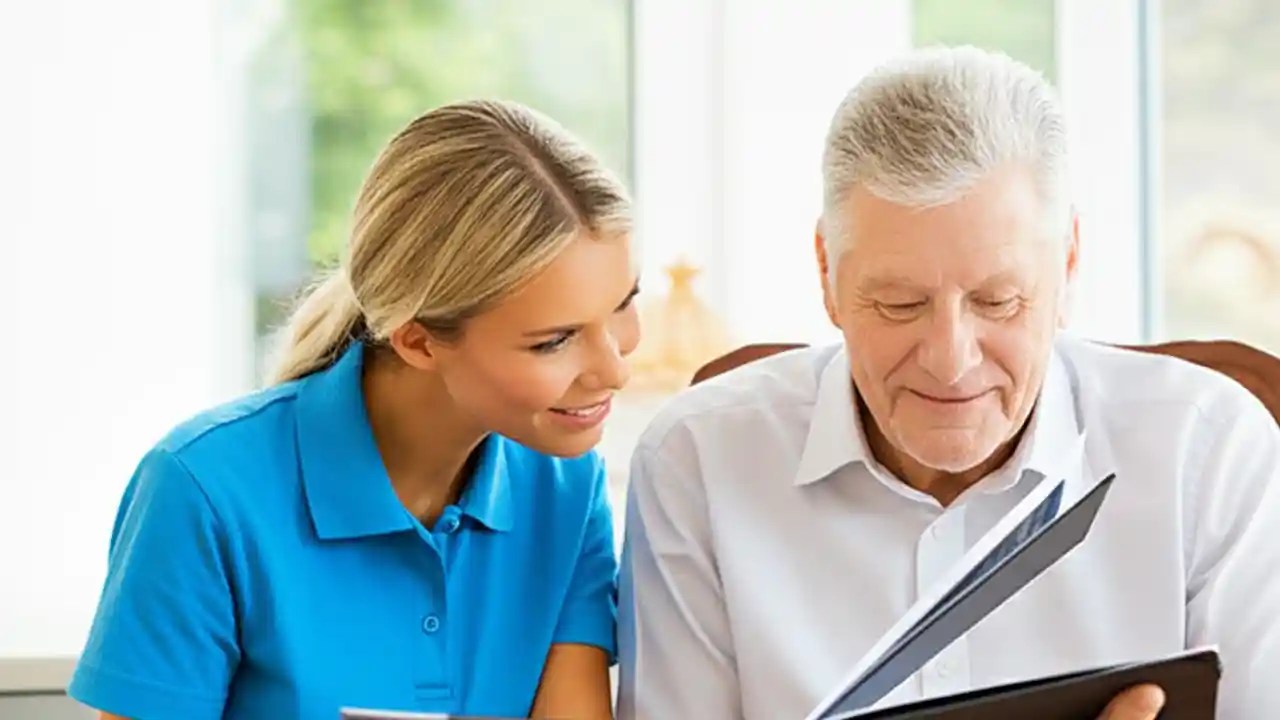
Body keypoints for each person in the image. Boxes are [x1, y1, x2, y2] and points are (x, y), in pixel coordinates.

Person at [617, 46, 1279, 720]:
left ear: (1069, 263)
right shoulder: (697, 462)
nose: (951, 361)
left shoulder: (1213, 453)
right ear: (827, 272)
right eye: (900, 304)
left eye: (998, 301)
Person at [69, 100, 639, 720]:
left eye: (623, 305)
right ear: (419, 340)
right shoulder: (203, 490)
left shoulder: (565, 487)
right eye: (554, 340)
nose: (616, 370)